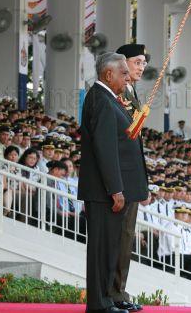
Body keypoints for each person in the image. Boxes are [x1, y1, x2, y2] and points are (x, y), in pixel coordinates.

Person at [78, 52, 148, 313]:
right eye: (123, 73)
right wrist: (116, 189)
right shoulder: (103, 101)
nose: (127, 77)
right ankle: (99, 304)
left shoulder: (109, 99)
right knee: (101, 251)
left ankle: (106, 301)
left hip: (107, 190)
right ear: (109, 74)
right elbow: (106, 150)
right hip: (104, 192)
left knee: (109, 249)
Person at [112, 43, 150, 307]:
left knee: (126, 238)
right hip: (120, 180)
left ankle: (119, 291)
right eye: (137, 62)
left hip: (131, 178)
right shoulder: (117, 92)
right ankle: (113, 293)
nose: (141, 67)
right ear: (122, 64)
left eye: (143, 63)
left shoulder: (132, 91)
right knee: (118, 238)